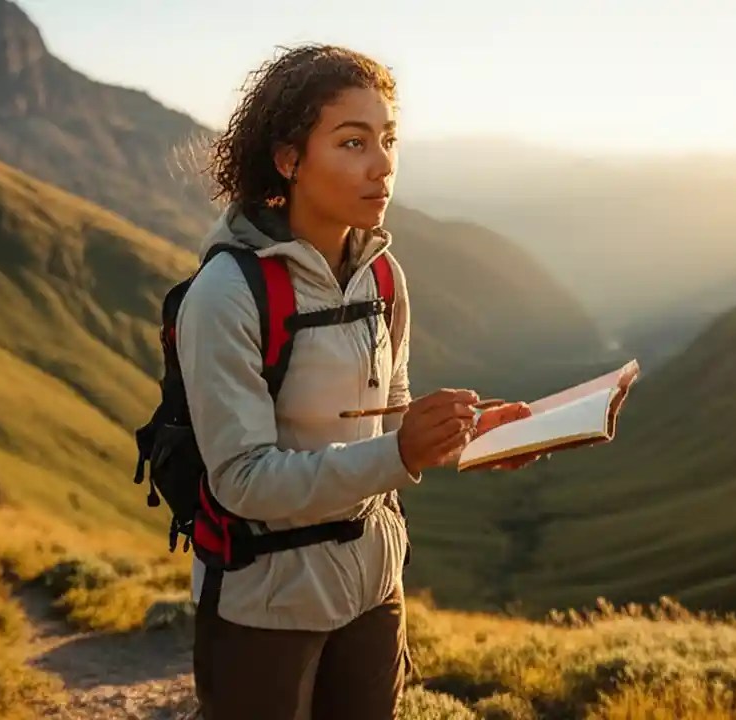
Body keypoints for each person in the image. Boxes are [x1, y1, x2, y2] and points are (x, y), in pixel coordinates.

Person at [176, 43, 541, 720]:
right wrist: (399, 455)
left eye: (389, 139)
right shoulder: (227, 293)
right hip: (268, 600)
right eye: (352, 142)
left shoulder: (380, 274)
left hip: (375, 588)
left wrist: (471, 438)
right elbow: (243, 480)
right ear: (289, 160)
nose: (383, 166)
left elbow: (385, 421)